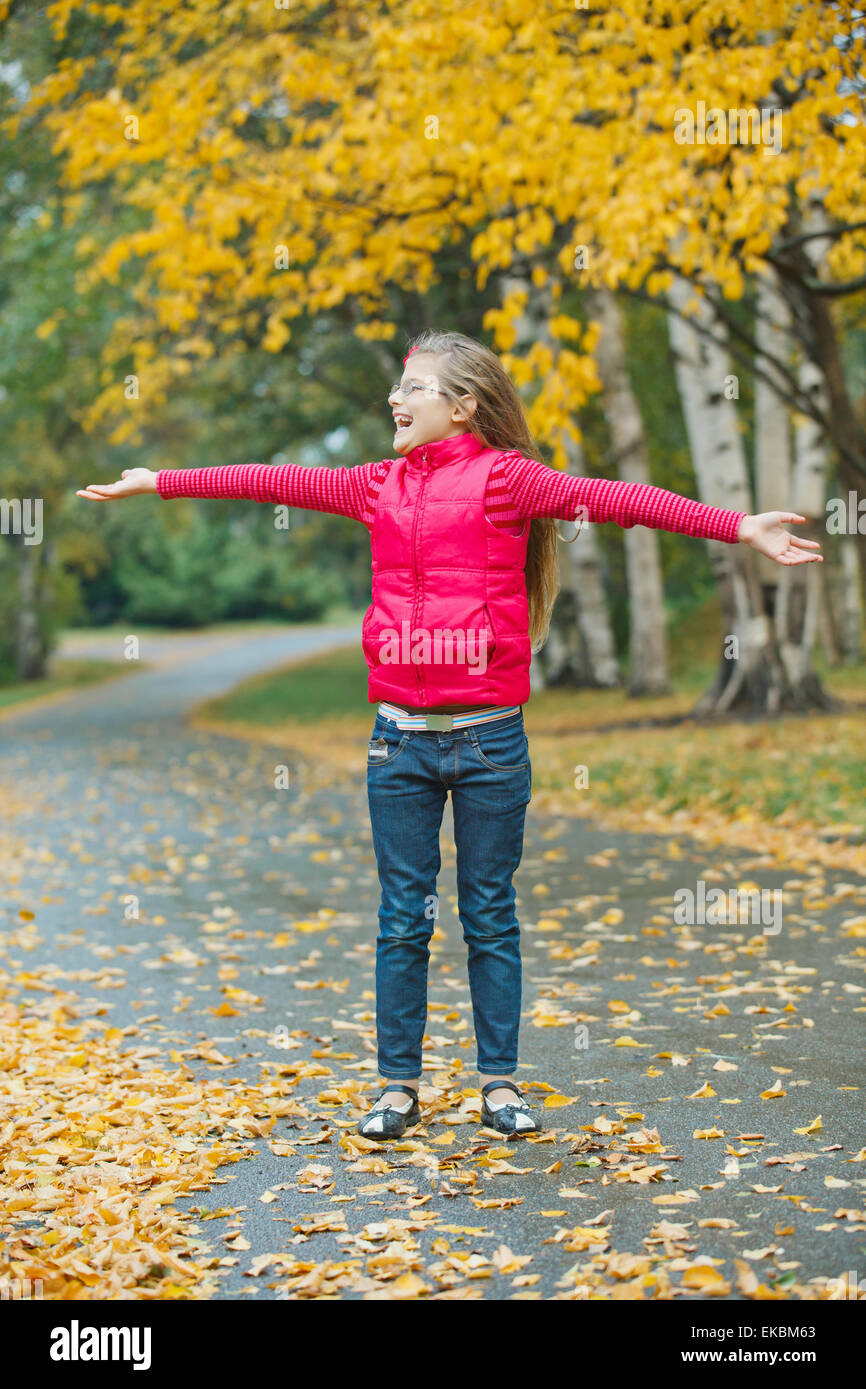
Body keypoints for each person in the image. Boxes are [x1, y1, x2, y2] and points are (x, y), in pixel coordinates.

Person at [77, 328, 823, 1140]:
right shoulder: (376, 485)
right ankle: (397, 1089)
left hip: (489, 743)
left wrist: (738, 526)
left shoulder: (508, 480)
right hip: (398, 742)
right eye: (398, 389)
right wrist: (162, 482)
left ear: (463, 406)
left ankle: (499, 1085)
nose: (396, 401)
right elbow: (272, 479)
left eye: (416, 389)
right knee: (403, 918)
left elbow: (618, 499)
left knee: (489, 913)